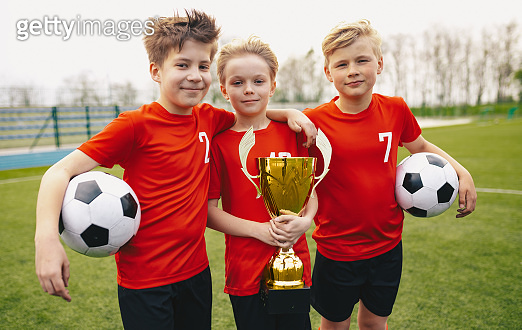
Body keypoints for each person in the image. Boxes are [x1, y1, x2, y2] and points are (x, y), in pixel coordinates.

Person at [34, 10, 316, 330]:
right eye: (182, 65)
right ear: (156, 70)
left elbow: (252, 112)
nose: (194, 75)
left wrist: (290, 112)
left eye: (203, 65)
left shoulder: (209, 118)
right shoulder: (133, 126)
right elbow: (58, 173)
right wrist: (46, 239)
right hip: (145, 280)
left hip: (196, 276)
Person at [303, 20, 477, 330]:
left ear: (379, 64)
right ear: (329, 73)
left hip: (387, 247)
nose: (352, 70)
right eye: (341, 64)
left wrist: (461, 171)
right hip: (336, 249)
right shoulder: (314, 122)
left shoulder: (395, 110)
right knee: (334, 324)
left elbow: (420, 145)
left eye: (362, 60)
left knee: (374, 322)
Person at [206, 36, 316, 330]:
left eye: (258, 81)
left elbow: (311, 190)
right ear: (223, 89)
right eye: (238, 82)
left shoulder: (293, 131)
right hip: (245, 271)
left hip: (294, 264)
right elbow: (208, 211)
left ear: (273, 85)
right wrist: (259, 231)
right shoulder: (219, 143)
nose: (249, 90)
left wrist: (306, 221)